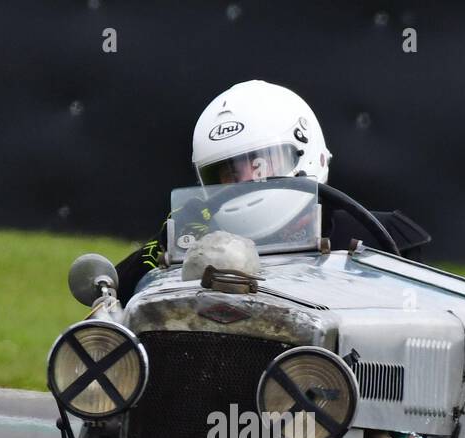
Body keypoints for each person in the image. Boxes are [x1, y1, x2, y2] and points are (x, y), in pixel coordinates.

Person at [114, 80, 430, 302]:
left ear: (306, 152)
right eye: (227, 172)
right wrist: (173, 237)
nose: (248, 180)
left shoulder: (381, 238)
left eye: (262, 164)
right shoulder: (192, 237)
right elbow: (117, 298)